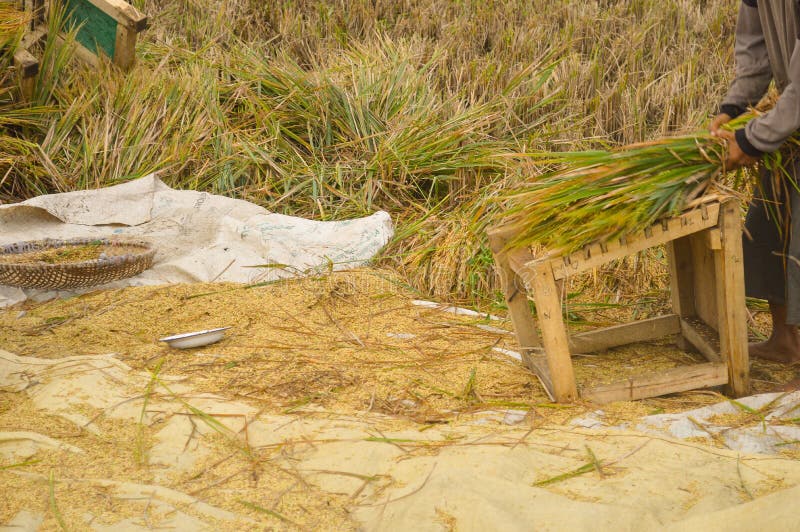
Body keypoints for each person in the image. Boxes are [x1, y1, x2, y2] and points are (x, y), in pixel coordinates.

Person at [709, 0, 800, 364]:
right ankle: (785, 341)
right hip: (792, 118)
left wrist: (754, 139)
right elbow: (754, 45)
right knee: (768, 224)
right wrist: (734, 107)